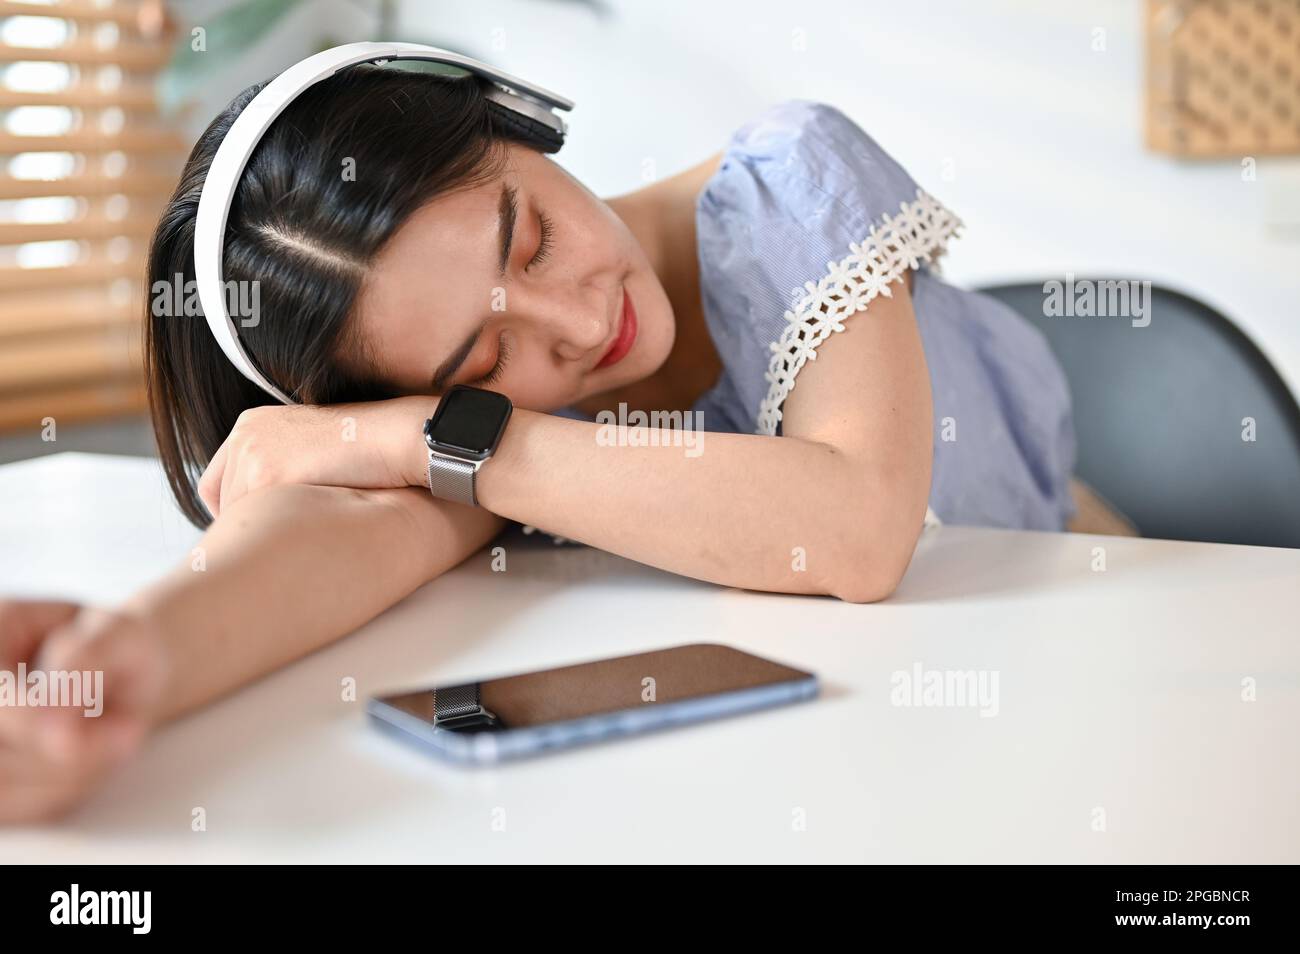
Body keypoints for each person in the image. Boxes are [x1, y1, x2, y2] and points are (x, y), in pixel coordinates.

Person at [0, 65, 1131, 821]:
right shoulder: (489, 441)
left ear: (514, 120)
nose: (585, 325)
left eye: (530, 240)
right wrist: (117, 665)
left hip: (1108, 623)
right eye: (478, 367)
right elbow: (337, 542)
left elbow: (853, 529)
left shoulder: (788, 179)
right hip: (893, 763)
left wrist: (431, 424)